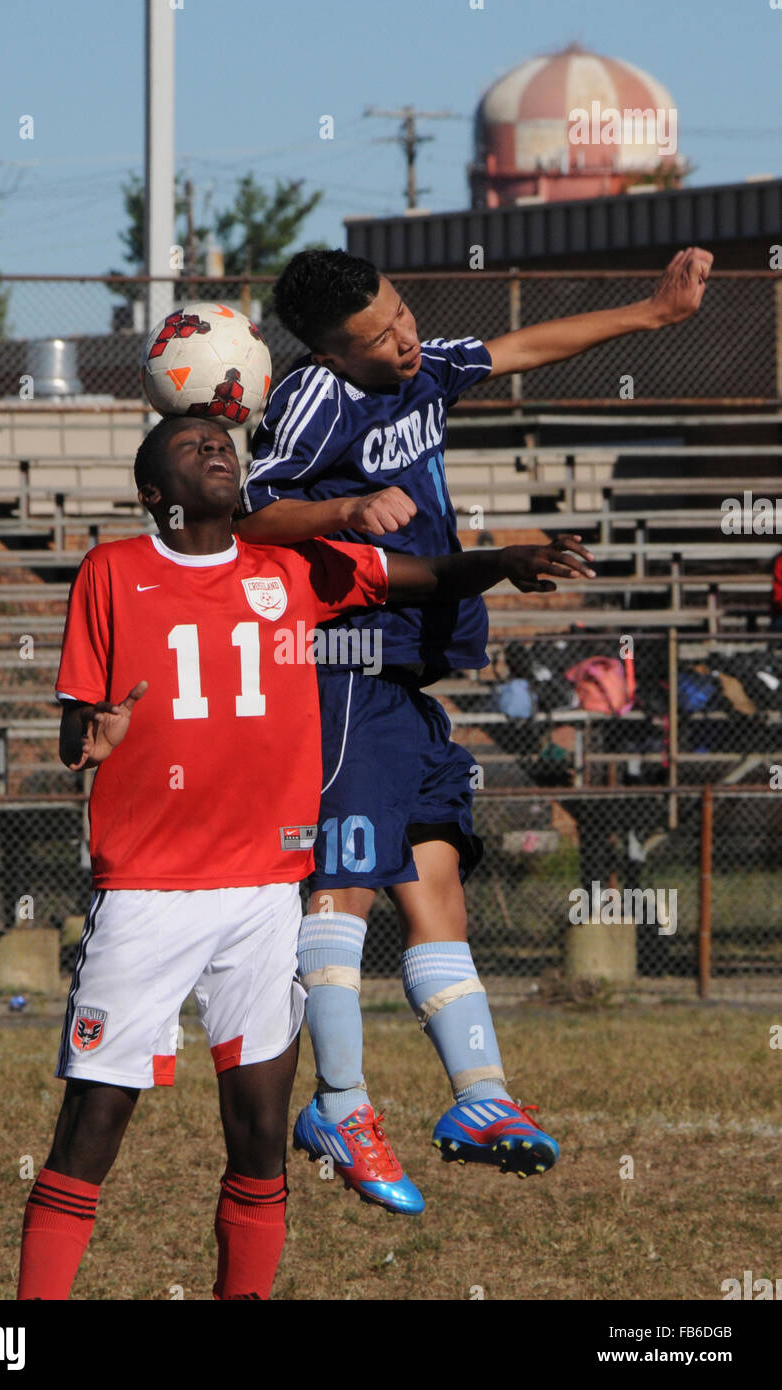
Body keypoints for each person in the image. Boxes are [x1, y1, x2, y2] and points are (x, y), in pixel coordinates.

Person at [15, 414, 594, 1299]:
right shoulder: (112, 571)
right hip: (147, 891)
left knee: (257, 1139)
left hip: (263, 896)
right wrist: (89, 737)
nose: (214, 450)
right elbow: (74, 731)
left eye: (221, 442)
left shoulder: (293, 570)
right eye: (187, 447)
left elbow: (429, 576)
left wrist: (504, 561)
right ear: (152, 494)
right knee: (93, 1124)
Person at [236, 245, 713, 1212]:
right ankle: (340, 1104)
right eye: (377, 337)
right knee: (344, 891)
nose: (403, 340)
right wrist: (349, 507)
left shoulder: (425, 369)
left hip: (407, 684)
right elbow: (252, 510)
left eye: (403, 314)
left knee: (436, 883)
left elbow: (523, 345)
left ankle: (480, 1099)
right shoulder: (318, 396)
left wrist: (653, 318)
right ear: (329, 350)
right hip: (343, 680)